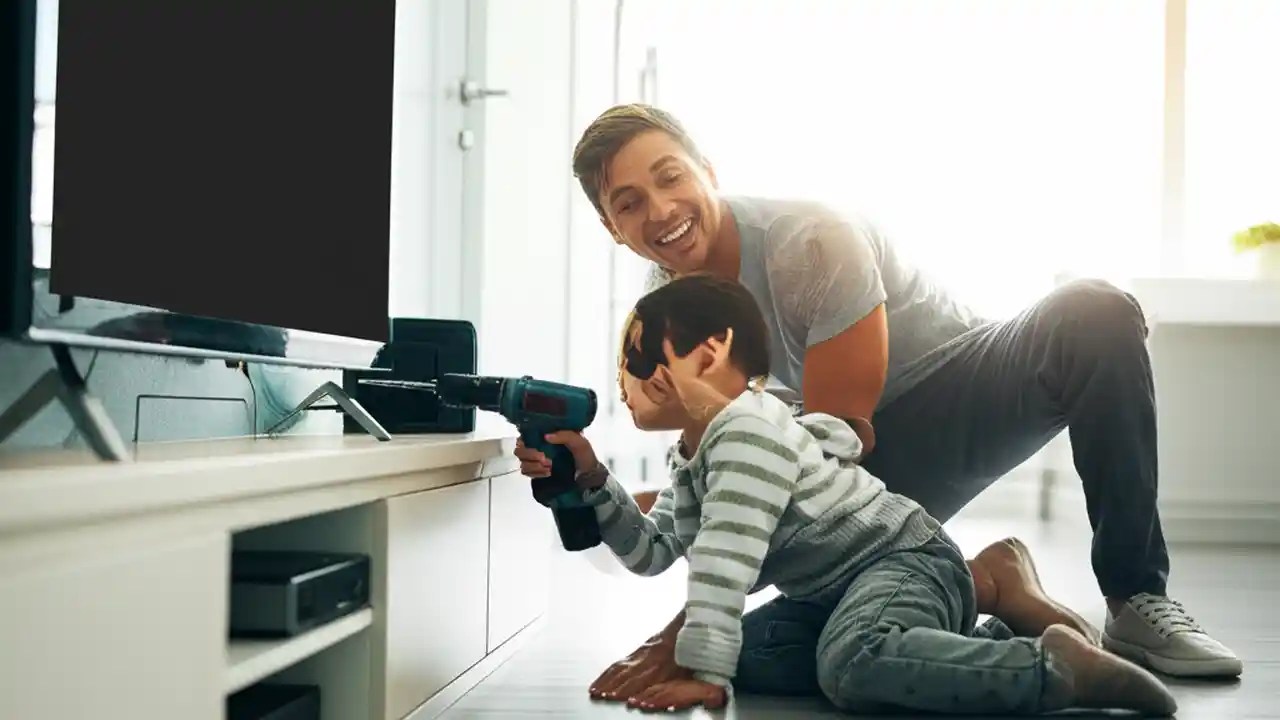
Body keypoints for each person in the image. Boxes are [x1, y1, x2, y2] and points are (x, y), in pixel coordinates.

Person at [563, 103, 1241, 701]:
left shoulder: (809, 241)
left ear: (707, 169)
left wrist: (682, 634)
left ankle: (1136, 597)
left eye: (669, 176)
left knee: (1093, 312)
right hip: (842, 468)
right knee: (761, 655)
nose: (659, 211)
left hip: (945, 395)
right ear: (610, 227)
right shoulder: (664, 305)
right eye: (627, 202)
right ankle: (986, 588)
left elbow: (826, 453)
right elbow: (726, 473)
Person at [518, 273, 1178, 715]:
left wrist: (704, 674)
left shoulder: (746, 434)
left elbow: (726, 561)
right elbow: (655, 551)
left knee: (851, 665)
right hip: (834, 589)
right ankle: (982, 625)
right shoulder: (692, 456)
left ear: (715, 350)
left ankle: (1051, 668)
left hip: (901, 563)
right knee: (758, 652)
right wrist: (594, 482)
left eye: (641, 357)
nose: (628, 378)